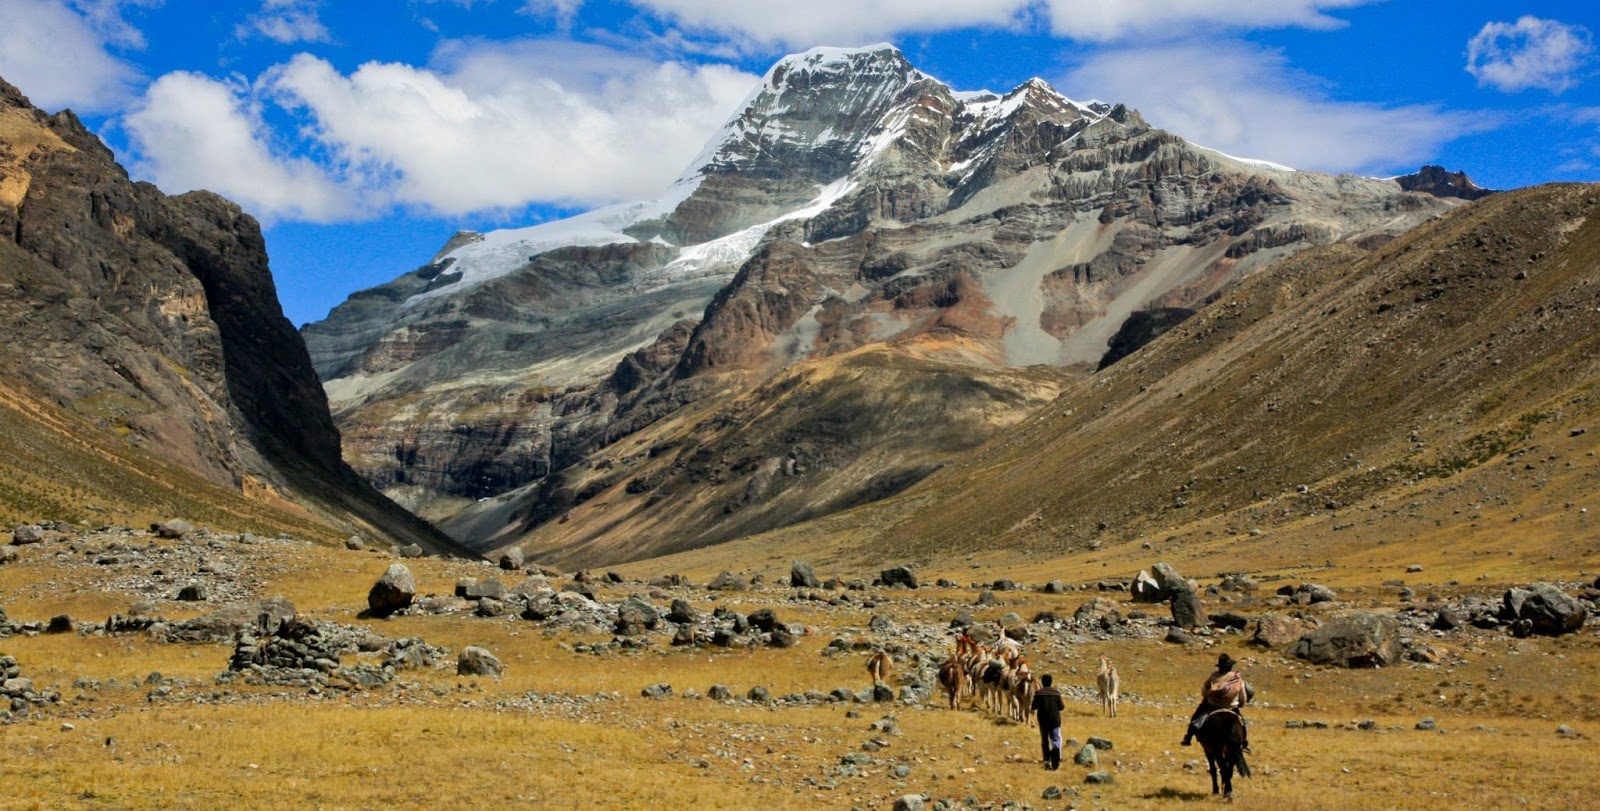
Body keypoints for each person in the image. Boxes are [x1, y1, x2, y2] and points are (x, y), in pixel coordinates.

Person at [1181, 652, 1253, 749]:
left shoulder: (1213, 676)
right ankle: (1244, 742)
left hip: (1212, 707)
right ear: (1230, 666)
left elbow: (1204, 692)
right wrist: (1239, 704)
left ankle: (1188, 738)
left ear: (1220, 666)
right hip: (1231, 708)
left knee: (1195, 718)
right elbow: (1242, 698)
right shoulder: (1237, 678)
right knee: (1242, 723)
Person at [1031, 673, 1065, 769]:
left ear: (1042, 682)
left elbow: (1034, 707)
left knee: (1045, 740)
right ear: (1051, 682)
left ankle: (1047, 760)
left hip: (1043, 720)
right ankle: (1056, 754)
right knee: (1056, 738)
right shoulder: (1056, 692)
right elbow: (1062, 707)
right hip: (1055, 720)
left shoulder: (1038, 693)